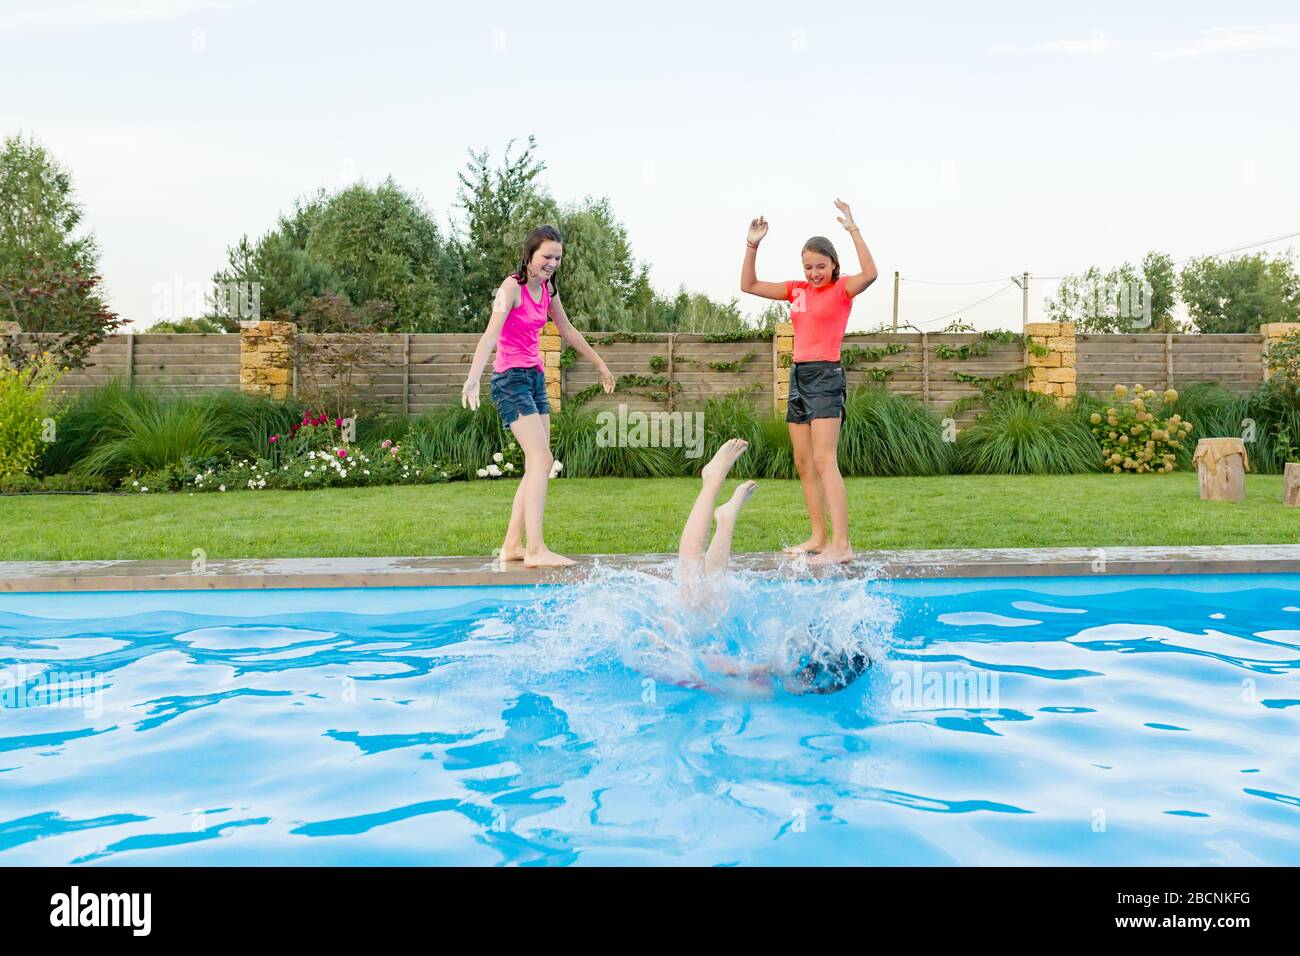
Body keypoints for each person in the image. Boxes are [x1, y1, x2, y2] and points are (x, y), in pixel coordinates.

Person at [657, 437, 871, 696]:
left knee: (702, 600)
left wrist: (743, 670)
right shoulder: (781, 679)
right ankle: (713, 485)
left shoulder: (772, 686)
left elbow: (723, 670)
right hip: (685, 643)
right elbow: (723, 668)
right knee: (697, 598)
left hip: (682, 645)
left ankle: (724, 514)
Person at [462, 225, 615, 567]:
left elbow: (567, 330)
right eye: (547, 256)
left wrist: (600, 364)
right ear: (529, 254)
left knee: (538, 463)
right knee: (541, 459)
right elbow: (490, 335)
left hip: (534, 378)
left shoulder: (548, 289)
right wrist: (473, 378)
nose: (553, 263)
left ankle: (512, 545)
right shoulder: (510, 288)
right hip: (510, 380)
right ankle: (535, 550)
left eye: (558, 258)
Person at [740, 199, 879, 565]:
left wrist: (853, 229)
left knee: (824, 459)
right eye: (808, 267)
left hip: (826, 376)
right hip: (799, 376)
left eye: (821, 266)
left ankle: (842, 545)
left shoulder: (842, 290)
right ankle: (819, 537)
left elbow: (871, 274)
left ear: (833, 265)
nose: (815, 273)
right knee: (803, 462)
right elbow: (748, 285)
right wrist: (752, 244)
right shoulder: (796, 290)